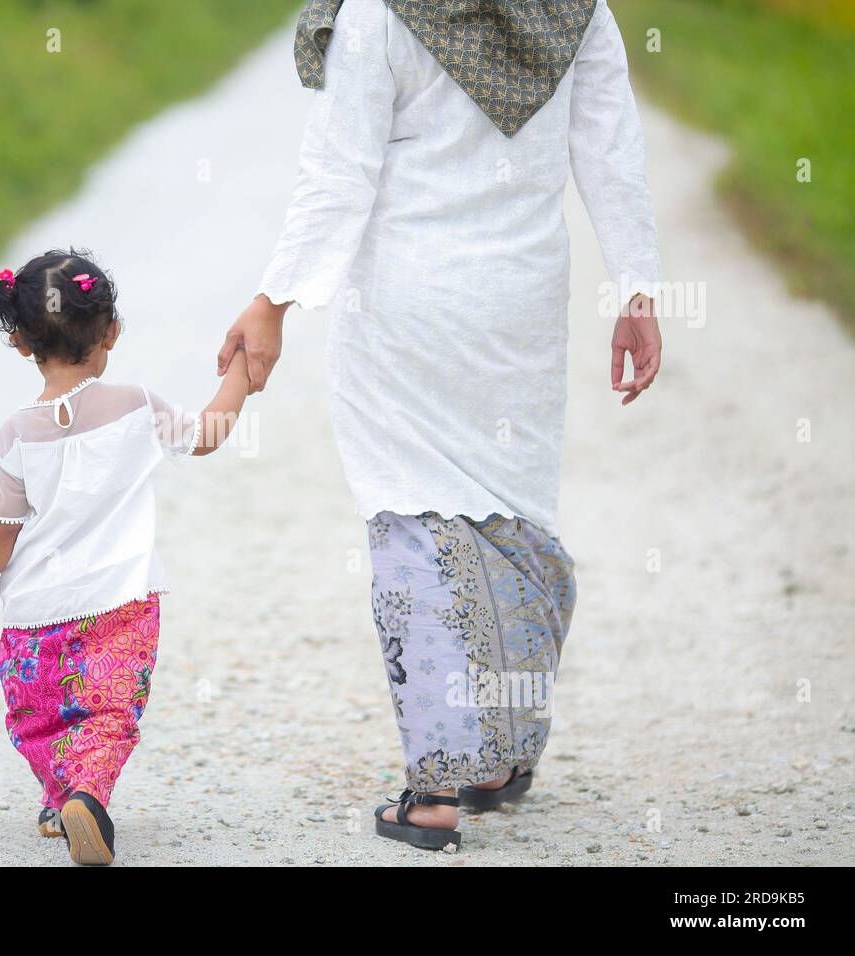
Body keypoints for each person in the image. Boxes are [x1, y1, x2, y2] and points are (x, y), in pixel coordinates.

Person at [217, 0, 661, 850]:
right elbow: (612, 155)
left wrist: (274, 300)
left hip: (402, 305)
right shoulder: (577, 13)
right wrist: (636, 290)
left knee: (416, 527)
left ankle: (434, 789)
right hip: (519, 310)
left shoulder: (379, 16)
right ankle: (499, 760)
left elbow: (338, 172)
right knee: (515, 529)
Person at [0, 249, 249, 865]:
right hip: (121, 599)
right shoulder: (135, 405)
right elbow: (207, 434)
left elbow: (0, 525)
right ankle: (84, 795)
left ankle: (62, 793)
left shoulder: (16, 431)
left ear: (20, 343)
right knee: (108, 711)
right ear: (111, 330)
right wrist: (241, 379)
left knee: (38, 716)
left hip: (36, 611)